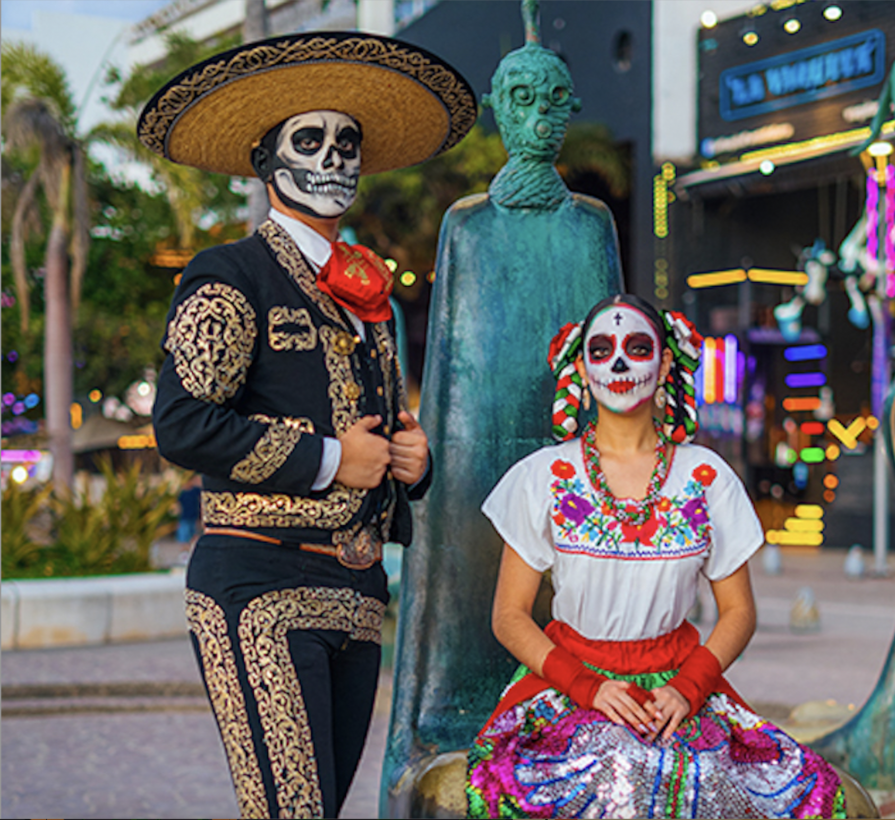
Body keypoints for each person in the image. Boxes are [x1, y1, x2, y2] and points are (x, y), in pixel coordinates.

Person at [139, 32, 475, 819]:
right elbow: (181, 423)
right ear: (266, 162)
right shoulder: (230, 274)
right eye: (310, 140)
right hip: (260, 583)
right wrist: (329, 459)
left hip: (357, 595)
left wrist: (410, 462)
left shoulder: (368, 298)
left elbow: (375, 436)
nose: (333, 158)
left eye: (347, 144)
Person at [466, 293, 847, 818]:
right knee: (614, 776)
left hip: (679, 689)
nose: (620, 364)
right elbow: (509, 616)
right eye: (602, 350)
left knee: (801, 790)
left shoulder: (706, 477)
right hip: (571, 687)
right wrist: (588, 688)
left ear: (666, 363)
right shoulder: (543, 476)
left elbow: (739, 612)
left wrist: (688, 689)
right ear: (582, 369)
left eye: (638, 348)